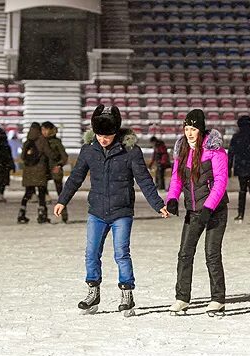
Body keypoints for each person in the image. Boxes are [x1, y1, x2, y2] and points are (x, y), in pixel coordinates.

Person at [53, 105, 169, 316]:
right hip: (96, 211)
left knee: (121, 254)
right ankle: (93, 292)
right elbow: (76, 177)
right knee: (91, 253)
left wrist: (157, 203)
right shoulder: (89, 149)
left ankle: (127, 294)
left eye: (107, 135)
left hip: (121, 211)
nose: (103, 139)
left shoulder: (130, 151)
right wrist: (63, 200)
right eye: (99, 135)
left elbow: (144, 179)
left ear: (116, 132)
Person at [166, 109, 229, 316]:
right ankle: (182, 298)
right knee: (185, 254)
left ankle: (217, 299)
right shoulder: (182, 149)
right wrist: (172, 198)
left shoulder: (215, 150)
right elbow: (176, 178)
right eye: (186, 128)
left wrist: (209, 208)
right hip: (193, 211)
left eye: (193, 129)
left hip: (215, 211)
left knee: (211, 253)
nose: (189, 133)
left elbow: (221, 182)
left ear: (200, 129)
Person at [227, 115, 250, 224]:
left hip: (240, 167)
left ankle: (240, 215)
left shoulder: (236, 137)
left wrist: (228, 169)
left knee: (242, 191)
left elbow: (230, 154)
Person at [17, 122, 53, 224]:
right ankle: (42, 215)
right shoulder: (42, 140)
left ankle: (21, 213)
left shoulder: (27, 142)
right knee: (41, 193)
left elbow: (22, 157)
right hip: (40, 171)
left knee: (28, 193)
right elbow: (49, 153)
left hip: (28, 172)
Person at [42, 121, 69, 222]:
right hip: (43, 170)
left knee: (60, 193)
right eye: (42, 130)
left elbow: (64, 156)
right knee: (42, 191)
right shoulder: (41, 141)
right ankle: (43, 215)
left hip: (55, 169)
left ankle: (64, 214)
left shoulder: (56, 142)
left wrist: (59, 165)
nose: (44, 132)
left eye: (45, 129)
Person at [0, 128, 15, 203]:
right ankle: (0, 194)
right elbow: (9, 156)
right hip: (4, 166)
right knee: (2, 181)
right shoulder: (6, 144)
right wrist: (11, 165)